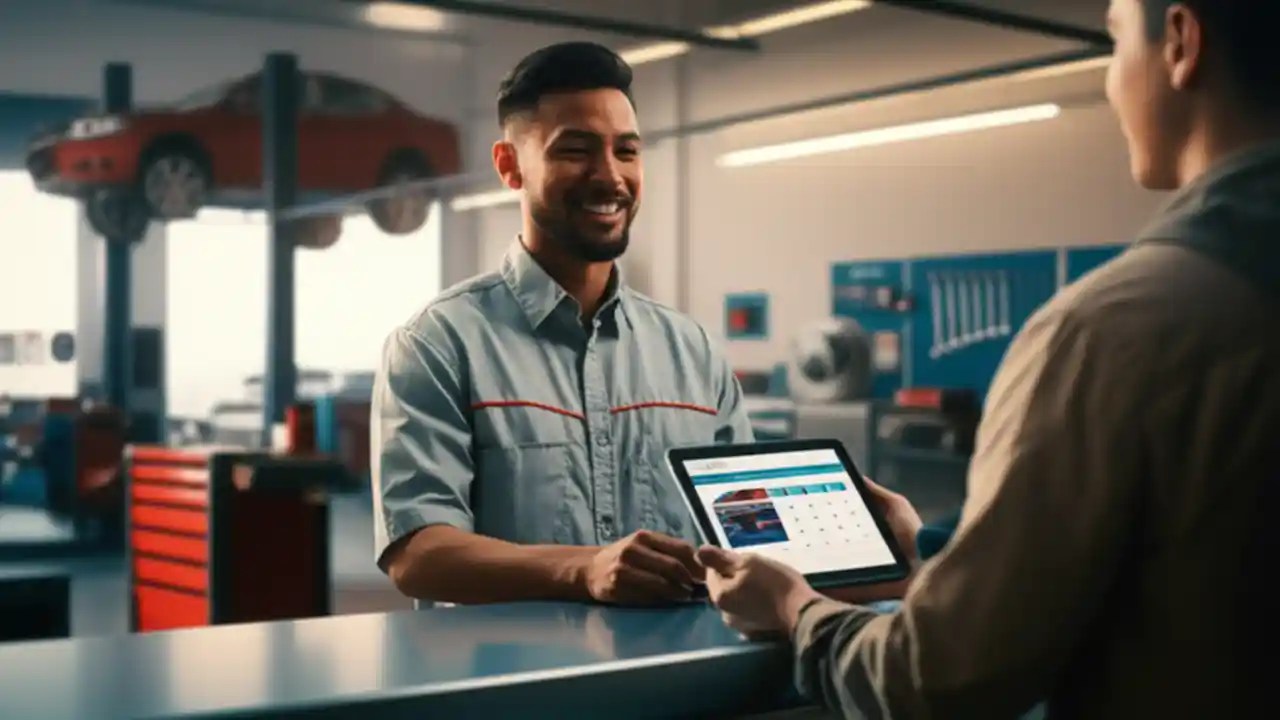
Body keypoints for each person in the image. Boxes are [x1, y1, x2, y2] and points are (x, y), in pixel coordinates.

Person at [697, 1, 1280, 717]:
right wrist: (938, 555)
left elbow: (931, 683)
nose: (1109, 81)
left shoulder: (1112, 331)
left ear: (1181, 43)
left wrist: (793, 605)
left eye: (1115, 40)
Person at [371, 42, 754, 607]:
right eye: (575, 151)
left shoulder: (691, 350)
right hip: (508, 686)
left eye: (627, 152)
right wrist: (583, 569)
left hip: (679, 679)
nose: (610, 176)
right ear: (509, 166)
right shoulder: (438, 344)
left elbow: (745, 530)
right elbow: (418, 553)